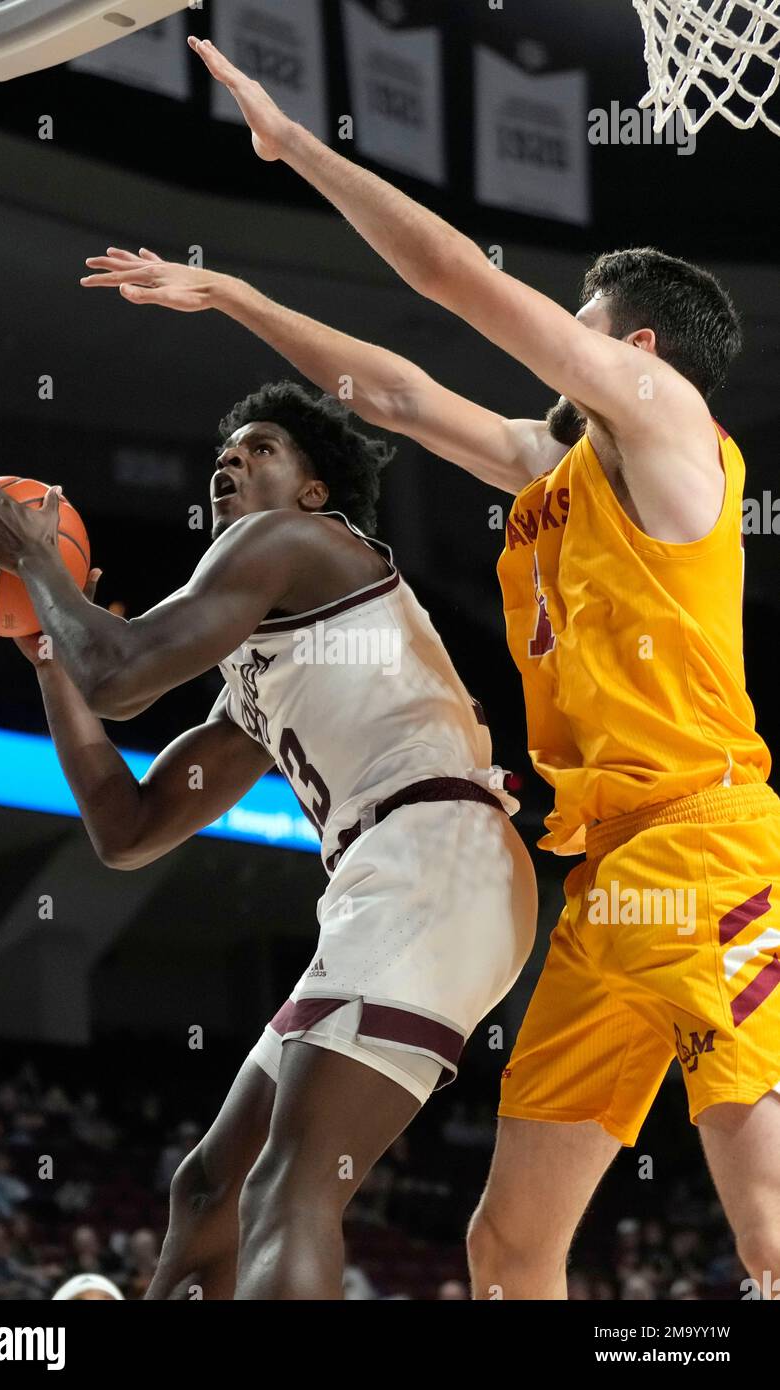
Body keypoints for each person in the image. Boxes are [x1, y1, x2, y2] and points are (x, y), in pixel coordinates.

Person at [165, 36, 778, 1300]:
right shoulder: (557, 476)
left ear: (637, 352)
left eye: (581, 329)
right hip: (603, 877)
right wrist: (233, 297)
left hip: (709, 847)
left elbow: (450, 278)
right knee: (505, 1253)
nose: (555, 345)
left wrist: (296, 151)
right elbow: (390, 393)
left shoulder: (667, 434)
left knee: (765, 1227)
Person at [0, 381, 536, 1300]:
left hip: (435, 864)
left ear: (313, 495)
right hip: (397, 879)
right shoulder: (264, 673)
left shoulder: (297, 543)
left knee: (287, 1186)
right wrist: (53, 660)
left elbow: (125, 674)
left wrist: (36, 564)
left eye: (261, 449)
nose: (231, 460)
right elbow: (126, 830)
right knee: (209, 1185)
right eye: (226, 451)